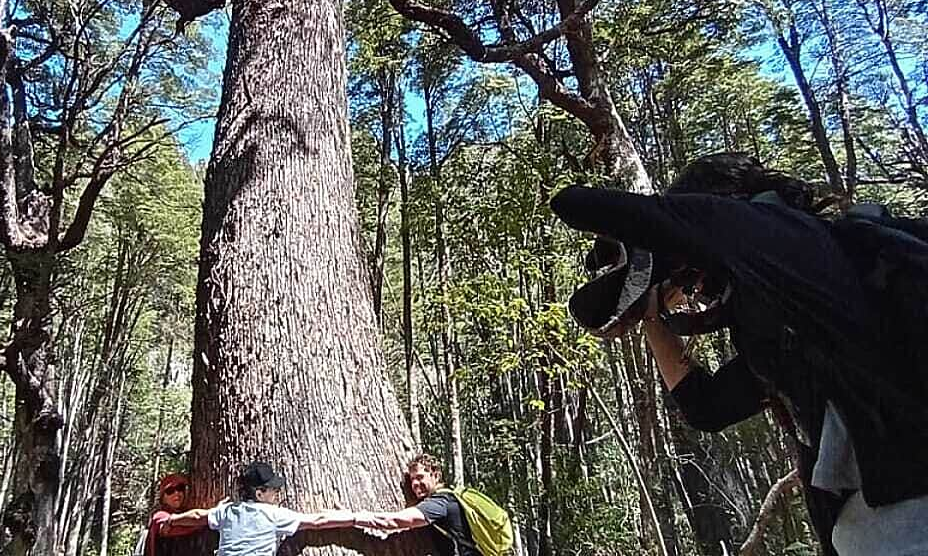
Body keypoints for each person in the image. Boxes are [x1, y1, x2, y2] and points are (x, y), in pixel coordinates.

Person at [549, 153, 928, 556]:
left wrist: (646, 252)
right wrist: (650, 311)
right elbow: (707, 406)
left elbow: (572, 202)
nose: (694, 285)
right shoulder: (790, 325)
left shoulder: (782, 236)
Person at [161, 461, 358, 556]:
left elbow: (197, 516)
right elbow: (317, 522)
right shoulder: (274, 514)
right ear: (259, 493)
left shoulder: (228, 511)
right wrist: (352, 518)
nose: (276, 494)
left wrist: (171, 521)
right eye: (273, 489)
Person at [352, 453, 481, 556]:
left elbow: (392, 521)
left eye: (420, 477)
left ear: (435, 476)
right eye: (412, 479)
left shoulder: (441, 502)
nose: (415, 484)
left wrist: (352, 518)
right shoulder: (447, 499)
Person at [137, 473, 203, 556]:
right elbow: (196, 519)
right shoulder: (160, 516)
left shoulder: (184, 512)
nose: (176, 493)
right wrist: (215, 514)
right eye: (170, 491)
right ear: (163, 498)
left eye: (180, 488)